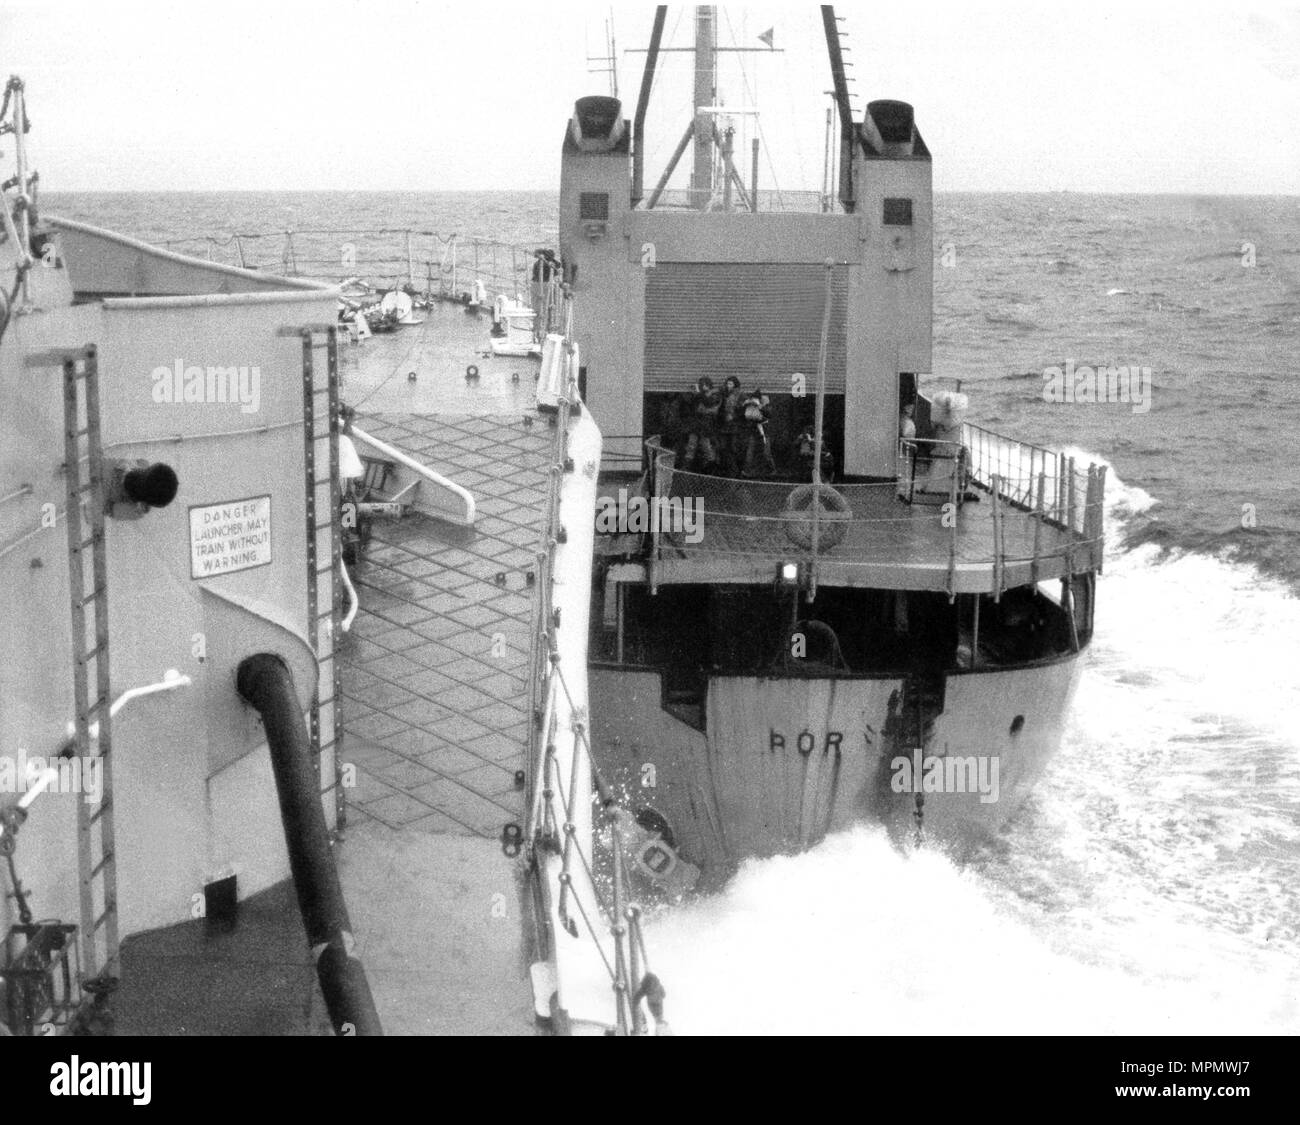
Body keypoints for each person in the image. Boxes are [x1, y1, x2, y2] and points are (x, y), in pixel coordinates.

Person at [683, 376, 721, 471]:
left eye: (705, 385)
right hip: (696, 424)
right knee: (691, 445)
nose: (703, 387)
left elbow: (709, 403)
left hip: (706, 425)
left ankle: (712, 466)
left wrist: (699, 394)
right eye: (702, 385)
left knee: (706, 446)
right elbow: (692, 406)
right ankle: (687, 464)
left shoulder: (715, 394)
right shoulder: (699, 395)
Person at [741, 387, 775, 477]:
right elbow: (745, 414)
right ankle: (747, 470)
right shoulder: (749, 405)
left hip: (764, 430)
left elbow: (769, 414)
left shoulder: (765, 404)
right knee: (750, 451)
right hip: (753, 430)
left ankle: (771, 470)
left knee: (766, 452)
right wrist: (745, 404)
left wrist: (760, 406)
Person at [717, 375, 744, 475]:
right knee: (723, 447)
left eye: (731, 384)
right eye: (727, 384)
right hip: (724, 425)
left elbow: (742, 409)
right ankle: (727, 468)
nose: (729, 386)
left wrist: (734, 416)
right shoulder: (723, 394)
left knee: (733, 447)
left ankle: (736, 469)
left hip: (734, 425)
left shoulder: (739, 394)